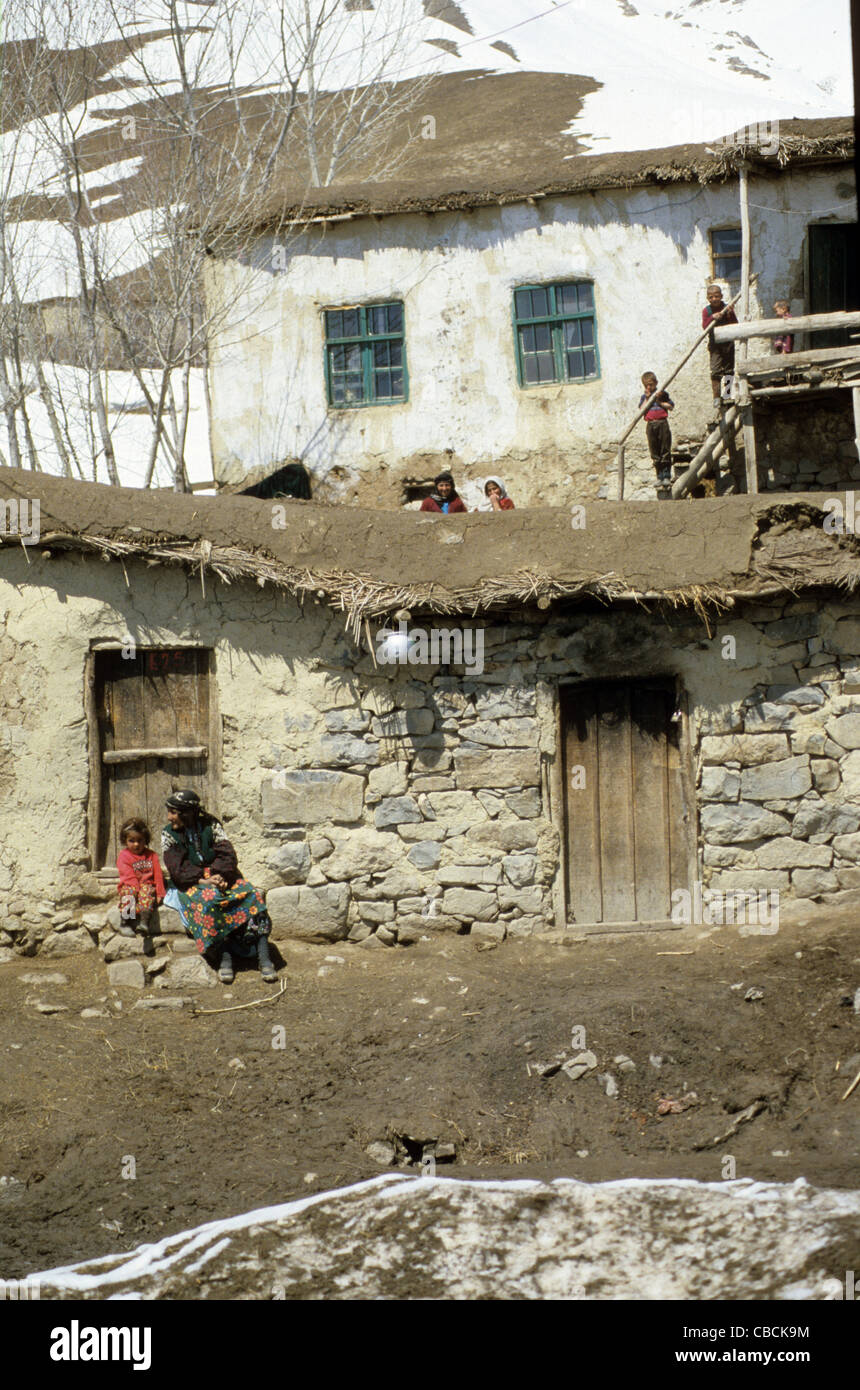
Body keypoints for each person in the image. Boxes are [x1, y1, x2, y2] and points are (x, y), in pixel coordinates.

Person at [160, 789, 276, 983]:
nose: (169, 817)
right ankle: (224, 957)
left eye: (173, 812)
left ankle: (264, 956)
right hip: (190, 881)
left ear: (187, 813)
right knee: (210, 900)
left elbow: (228, 855)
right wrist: (203, 880)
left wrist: (219, 875)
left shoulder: (211, 825)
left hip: (221, 875)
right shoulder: (168, 833)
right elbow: (176, 867)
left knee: (252, 895)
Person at [116, 818, 166, 937]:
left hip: (146, 886)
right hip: (131, 885)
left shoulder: (152, 855)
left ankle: (144, 923)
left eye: (140, 840)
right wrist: (137, 893)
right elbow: (128, 877)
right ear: (125, 840)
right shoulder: (124, 856)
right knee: (129, 892)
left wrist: (160, 893)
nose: (136, 844)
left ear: (146, 840)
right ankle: (125, 923)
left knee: (147, 890)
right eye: (131, 840)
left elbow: (158, 875)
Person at [702, 285, 738, 412]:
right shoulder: (707, 311)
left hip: (728, 344)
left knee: (729, 370)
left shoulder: (726, 308)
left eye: (717, 296)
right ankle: (716, 397)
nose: (714, 299)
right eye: (711, 297)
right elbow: (705, 327)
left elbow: (735, 324)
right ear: (708, 298)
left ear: (721, 296)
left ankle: (728, 394)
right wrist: (712, 318)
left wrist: (729, 314)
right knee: (716, 371)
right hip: (715, 346)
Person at [639, 373, 674, 486]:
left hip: (662, 423)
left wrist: (660, 402)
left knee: (665, 449)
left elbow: (671, 406)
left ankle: (666, 475)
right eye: (646, 386)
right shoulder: (644, 397)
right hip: (651, 425)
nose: (648, 388)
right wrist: (648, 398)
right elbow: (641, 409)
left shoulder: (662, 394)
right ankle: (659, 476)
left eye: (650, 385)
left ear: (656, 383)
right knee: (654, 450)